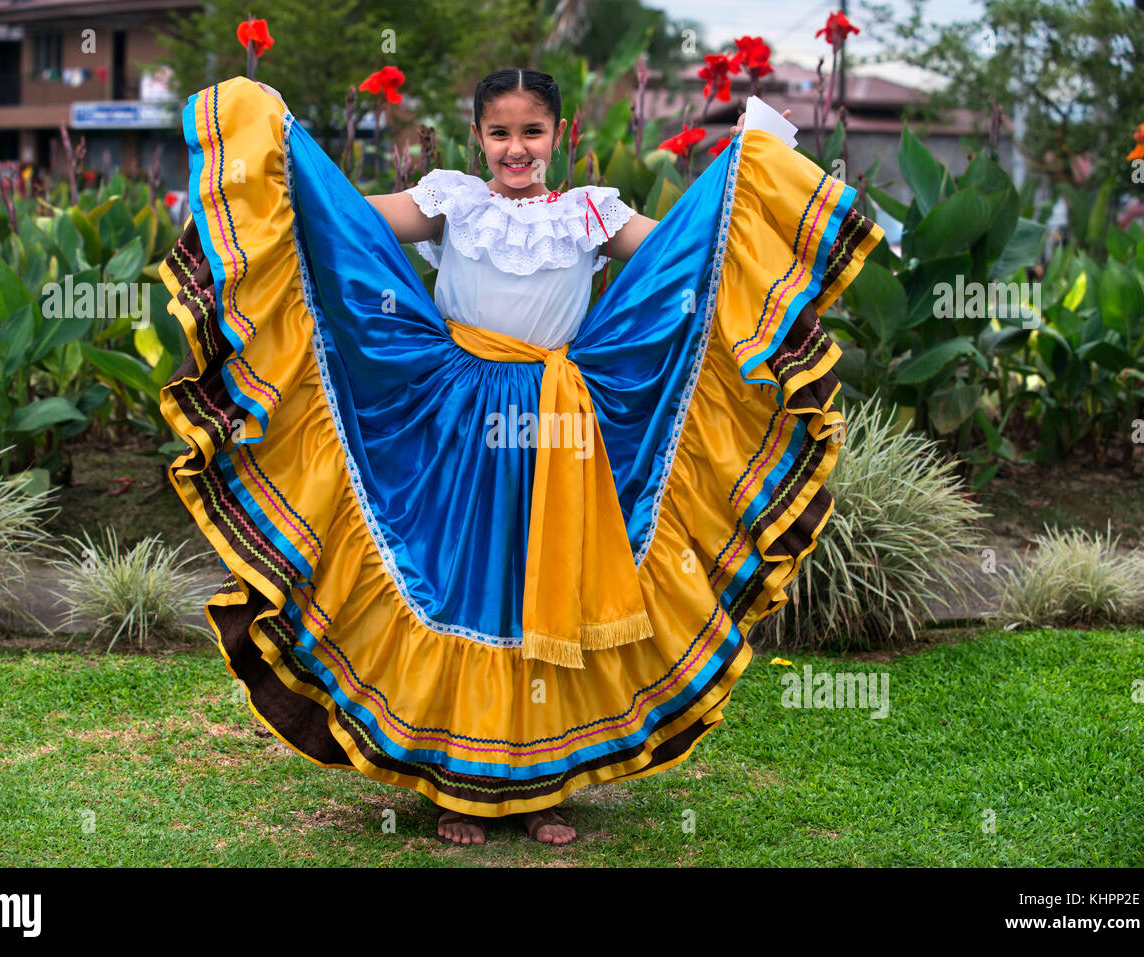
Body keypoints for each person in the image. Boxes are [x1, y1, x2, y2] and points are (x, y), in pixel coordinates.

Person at [158, 67, 883, 849]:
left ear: (557, 136)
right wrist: (281, 151)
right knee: (465, 587)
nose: (515, 149)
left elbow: (685, 252)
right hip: (455, 419)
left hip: (561, 425)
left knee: (544, 598)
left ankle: (543, 790)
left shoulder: (590, 213)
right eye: (499, 133)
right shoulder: (453, 201)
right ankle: (461, 788)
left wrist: (746, 173)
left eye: (531, 132)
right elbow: (349, 229)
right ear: (478, 137)